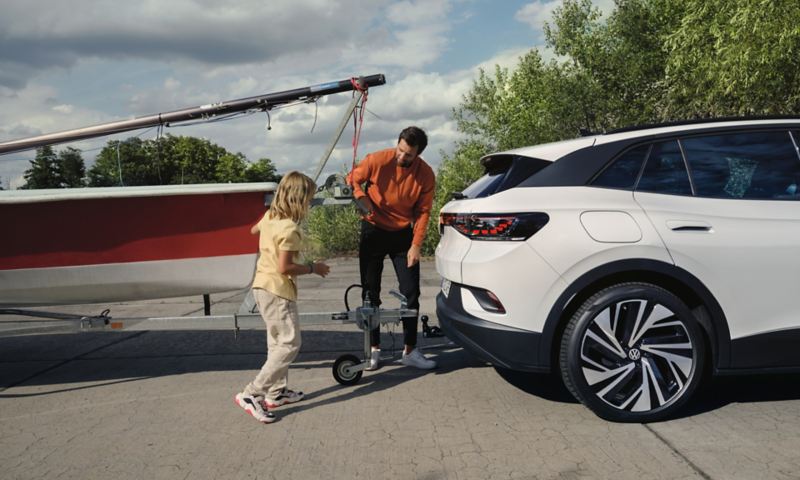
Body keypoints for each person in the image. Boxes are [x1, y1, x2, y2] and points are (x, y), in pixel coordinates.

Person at [235, 171, 330, 424]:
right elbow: (285, 267)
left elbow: (253, 230)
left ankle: (276, 393)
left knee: (276, 344)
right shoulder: (290, 229)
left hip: (261, 287)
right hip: (278, 290)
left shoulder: (270, 217)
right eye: (309, 199)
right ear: (299, 200)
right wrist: (313, 268)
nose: (310, 204)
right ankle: (252, 393)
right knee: (289, 344)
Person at [347, 126, 437, 371]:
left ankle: (410, 350)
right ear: (397, 144)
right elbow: (353, 178)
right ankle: (374, 350)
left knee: (411, 292)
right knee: (370, 292)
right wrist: (360, 197)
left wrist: (416, 245)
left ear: (418, 154)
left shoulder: (426, 175)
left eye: (408, 155)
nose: (401, 157)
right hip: (372, 231)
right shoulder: (377, 160)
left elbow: (424, 212)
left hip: (402, 235)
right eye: (400, 150)